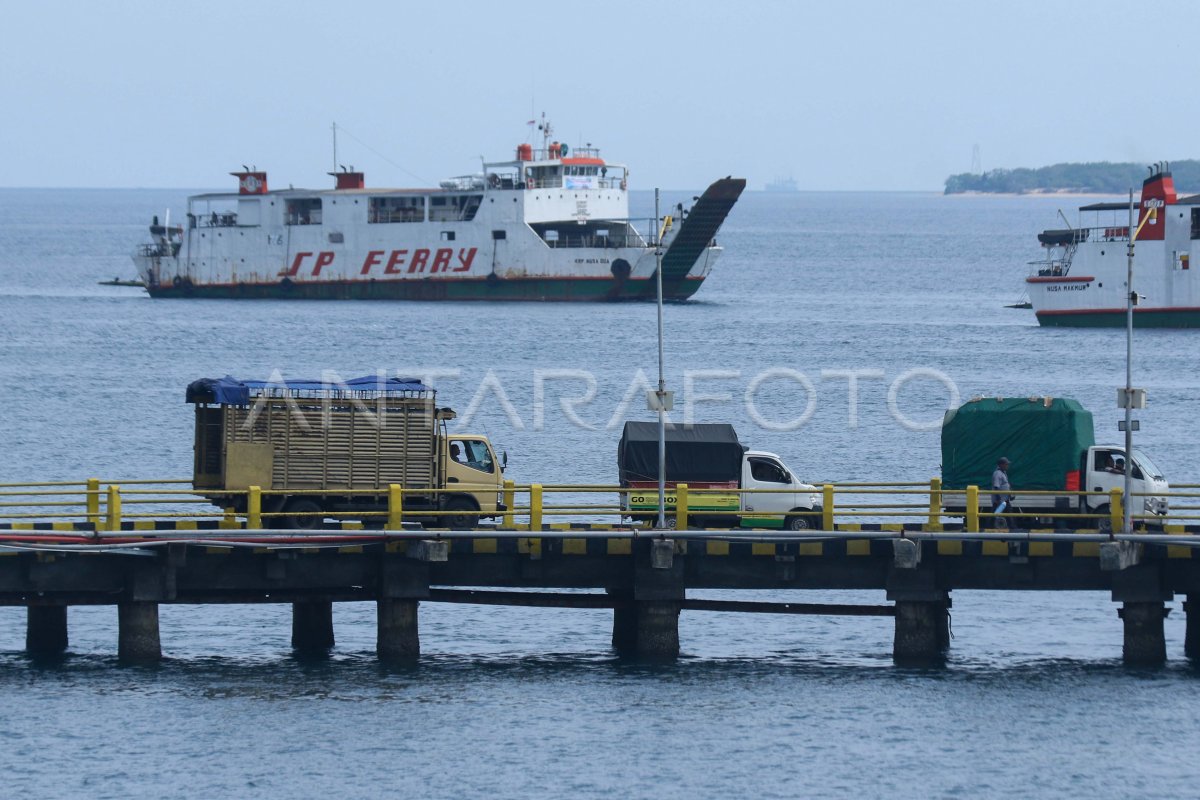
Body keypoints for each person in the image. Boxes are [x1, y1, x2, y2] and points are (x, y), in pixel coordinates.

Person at [991, 456, 1013, 528]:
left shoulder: (1003, 473)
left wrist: (1010, 494)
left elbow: (1005, 485)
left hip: (1005, 499)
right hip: (1000, 500)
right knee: (996, 514)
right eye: (1006, 464)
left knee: (1008, 513)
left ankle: (1013, 527)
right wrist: (998, 499)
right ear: (1001, 465)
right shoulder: (997, 473)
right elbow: (996, 486)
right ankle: (988, 527)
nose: (1007, 466)